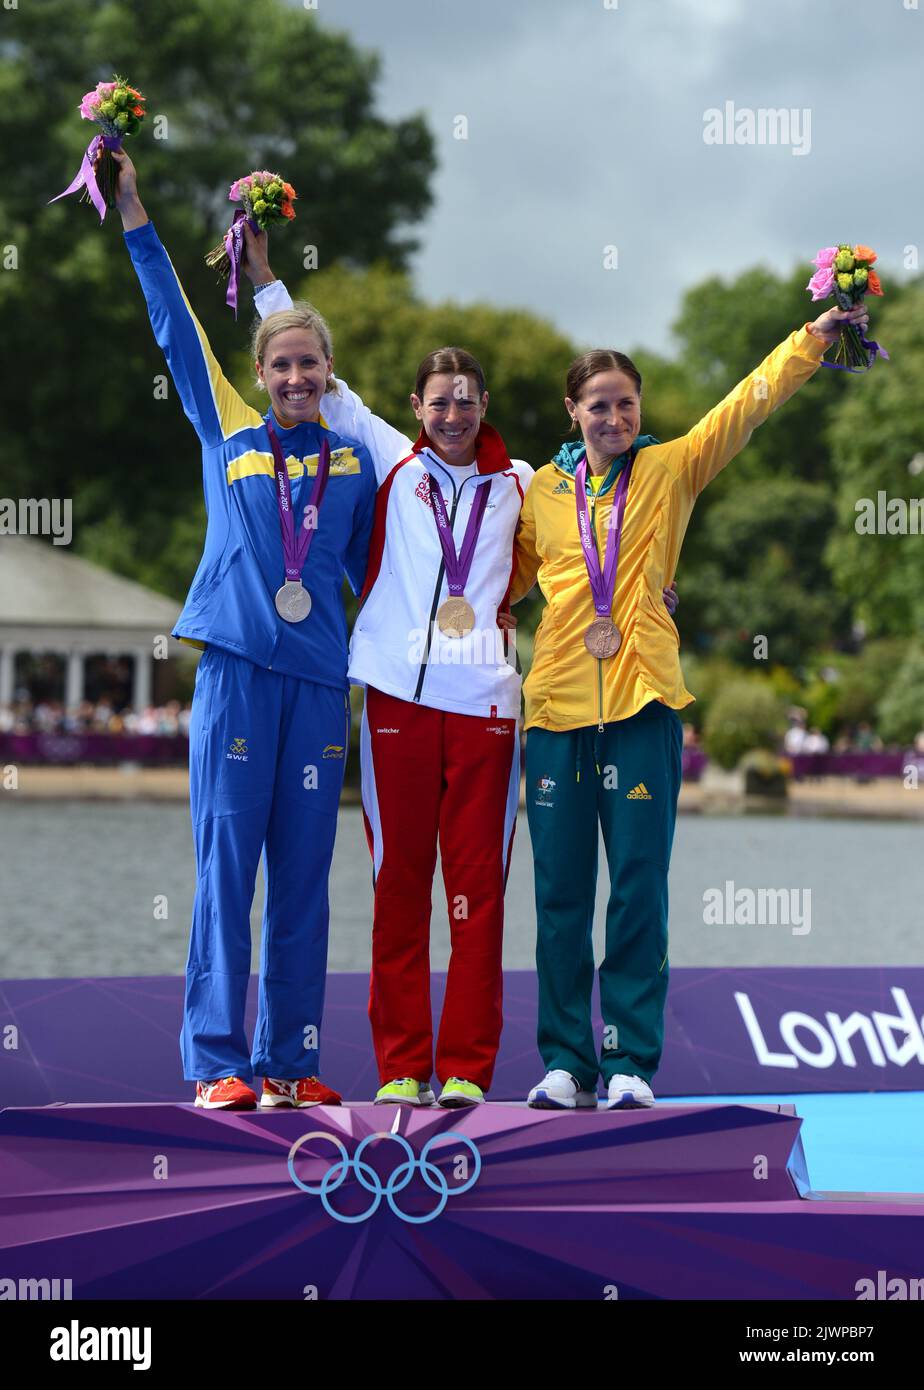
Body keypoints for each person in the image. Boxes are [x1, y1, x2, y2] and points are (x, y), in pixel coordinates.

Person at [244, 235, 680, 1108]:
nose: (452, 415)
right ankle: (405, 1065)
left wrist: (653, 580)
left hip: (486, 706)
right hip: (398, 703)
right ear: (415, 406)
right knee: (399, 888)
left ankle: (471, 1072)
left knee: (477, 895)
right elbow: (314, 372)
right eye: (439, 403)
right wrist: (262, 277)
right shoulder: (385, 455)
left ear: (484, 408)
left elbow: (582, 536)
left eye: (467, 403)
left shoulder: (525, 482)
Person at [511, 299, 870, 1111]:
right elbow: (500, 580)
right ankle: (566, 1063)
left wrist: (811, 339)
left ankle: (629, 1060)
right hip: (556, 713)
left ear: (640, 411)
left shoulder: (671, 467)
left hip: (643, 706)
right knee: (560, 897)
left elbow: (746, 403)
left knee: (639, 887)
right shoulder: (538, 490)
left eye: (625, 403)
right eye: (597, 404)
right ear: (574, 411)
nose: (612, 415)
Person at [112, 150, 377, 1111]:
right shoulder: (226, 430)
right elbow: (176, 327)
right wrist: (134, 207)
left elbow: (405, 573)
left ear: (326, 374)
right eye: (282, 363)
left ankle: (292, 1059)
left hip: (315, 686)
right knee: (228, 872)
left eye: (311, 363)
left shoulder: (354, 467)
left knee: (305, 879)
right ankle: (219, 1064)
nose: (297, 375)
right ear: (260, 372)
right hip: (232, 674)